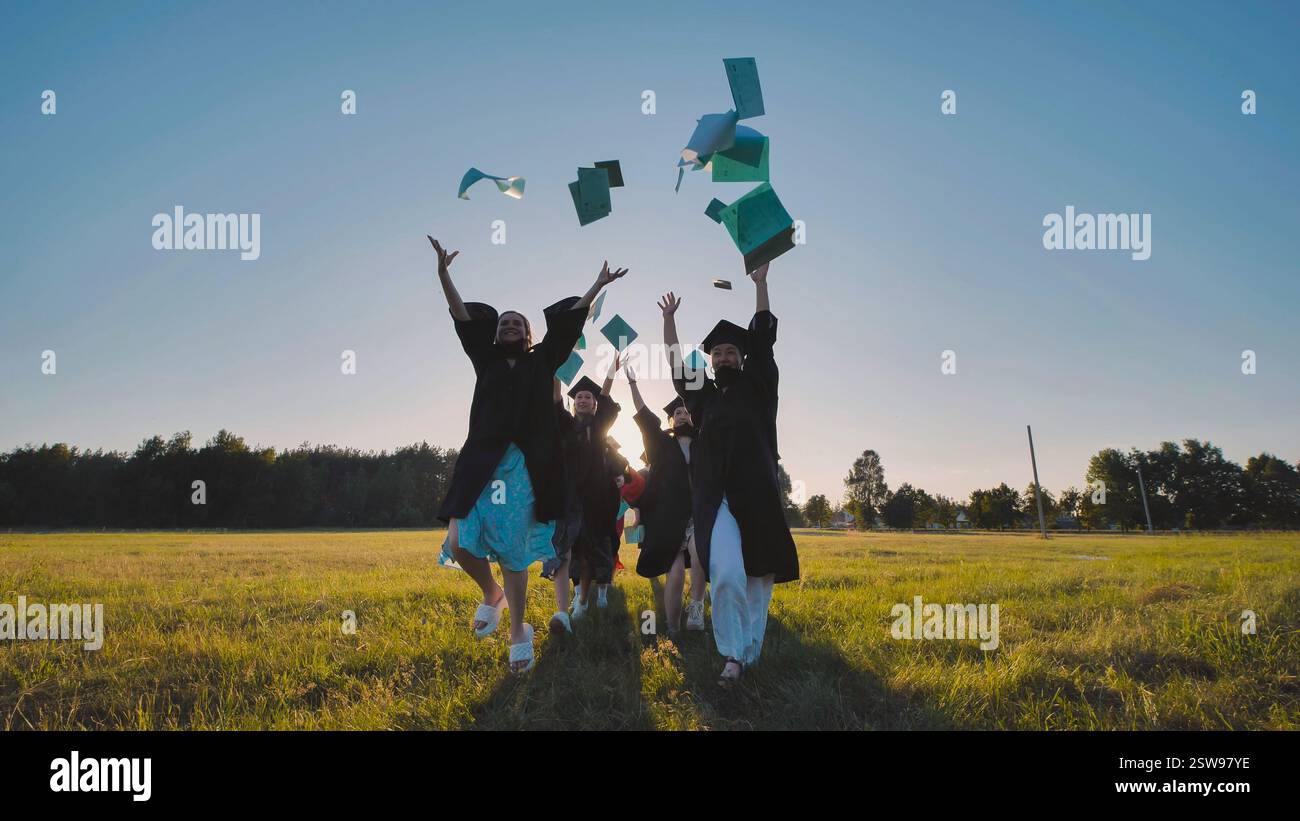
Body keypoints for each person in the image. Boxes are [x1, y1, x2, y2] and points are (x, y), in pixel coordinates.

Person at [429, 235, 628, 672]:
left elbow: (570, 325)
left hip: (524, 466)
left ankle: (519, 631)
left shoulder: (543, 362)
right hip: (482, 464)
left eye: (517, 323)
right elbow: (464, 320)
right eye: (504, 324)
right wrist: (445, 275)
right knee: (459, 542)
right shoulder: (486, 360)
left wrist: (595, 286)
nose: (509, 326)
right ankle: (491, 594)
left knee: (515, 551)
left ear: (530, 334)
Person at [659, 262, 798, 687]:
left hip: (756, 493)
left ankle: (750, 647)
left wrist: (761, 285)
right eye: (717, 353)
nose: (723, 356)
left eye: (731, 352)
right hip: (714, 497)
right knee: (727, 573)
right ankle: (734, 656)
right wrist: (669, 322)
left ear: (741, 357)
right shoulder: (702, 398)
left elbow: (763, 339)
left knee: (759, 577)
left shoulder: (759, 386)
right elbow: (677, 367)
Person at [623, 367, 706, 638]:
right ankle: (671, 626)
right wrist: (633, 383)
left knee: (699, 552)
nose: (683, 415)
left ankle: (695, 607)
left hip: (696, 516)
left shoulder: (704, 444)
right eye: (677, 413)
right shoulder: (660, 444)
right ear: (670, 421)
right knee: (675, 571)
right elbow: (644, 416)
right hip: (667, 519)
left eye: (687, 412)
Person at [543, 356, 622, 631]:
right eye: (579, 397)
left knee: (590, 551)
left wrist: (611, 371)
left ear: (594, 403)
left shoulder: (599, 425)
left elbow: (606, 394)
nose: (583, 400)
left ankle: (586, 598)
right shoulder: (565, 424)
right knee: (568, 550)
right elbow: (555, 398)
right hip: (569, 499)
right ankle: (577, 600)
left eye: (588, 397)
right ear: (573, 402)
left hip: (597, 499)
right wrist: (555, 371)